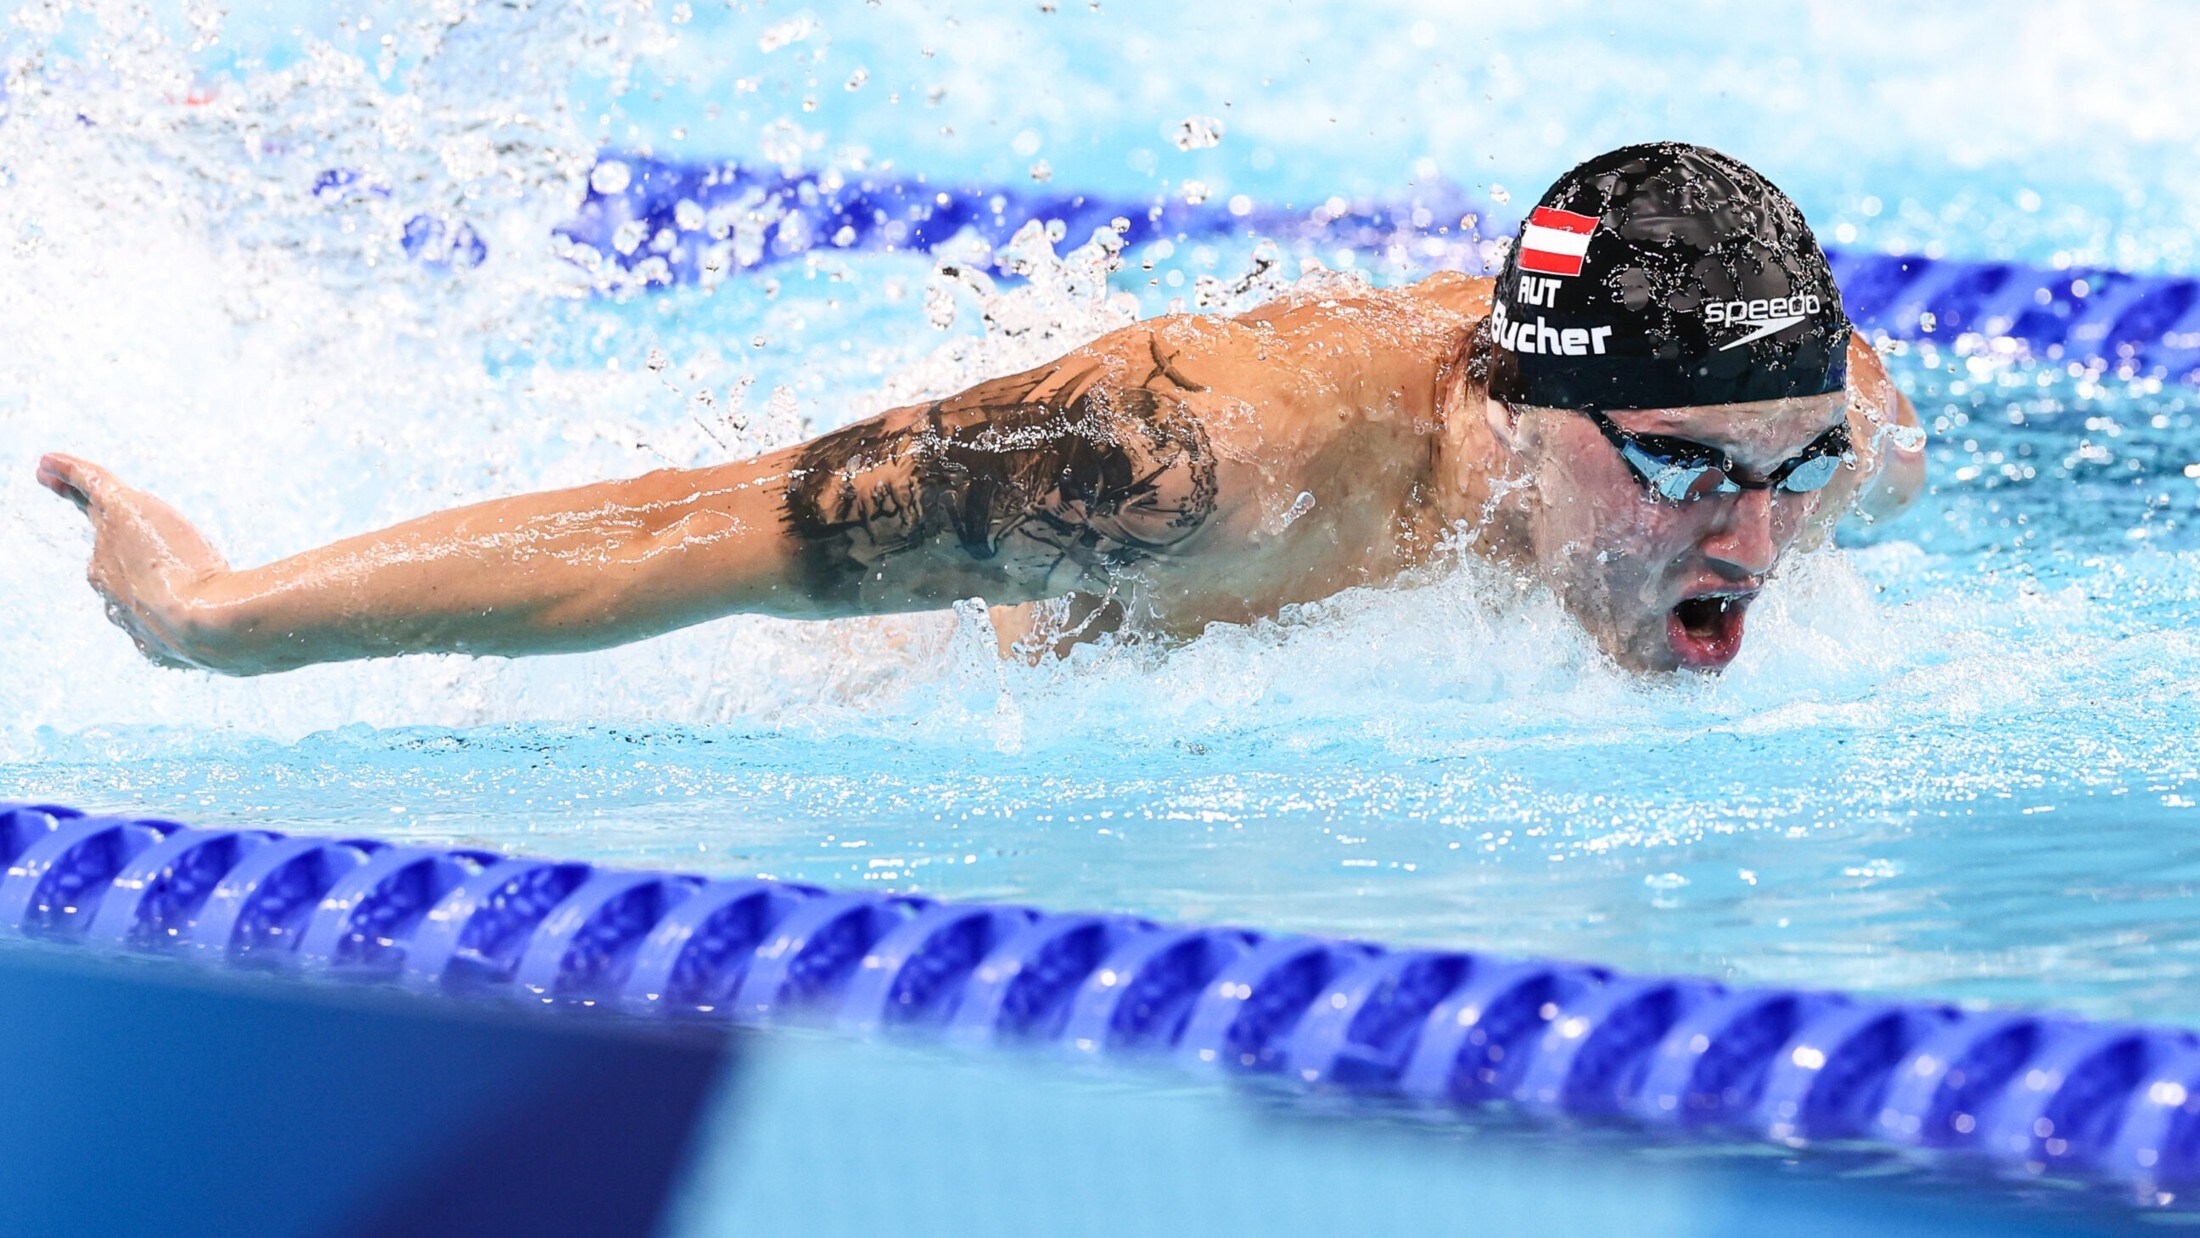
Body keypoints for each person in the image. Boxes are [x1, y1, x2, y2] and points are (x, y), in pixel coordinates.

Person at [38, 142, 1924, 677]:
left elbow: (1799, 441)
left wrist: (1772, 450)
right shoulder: (1198, 465)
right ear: (1518, 410)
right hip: (982, 662)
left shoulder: (1825, 428)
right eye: (1681, 470)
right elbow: (696, 522)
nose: (1750, 538)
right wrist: (224, 616)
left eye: (1786, 472)